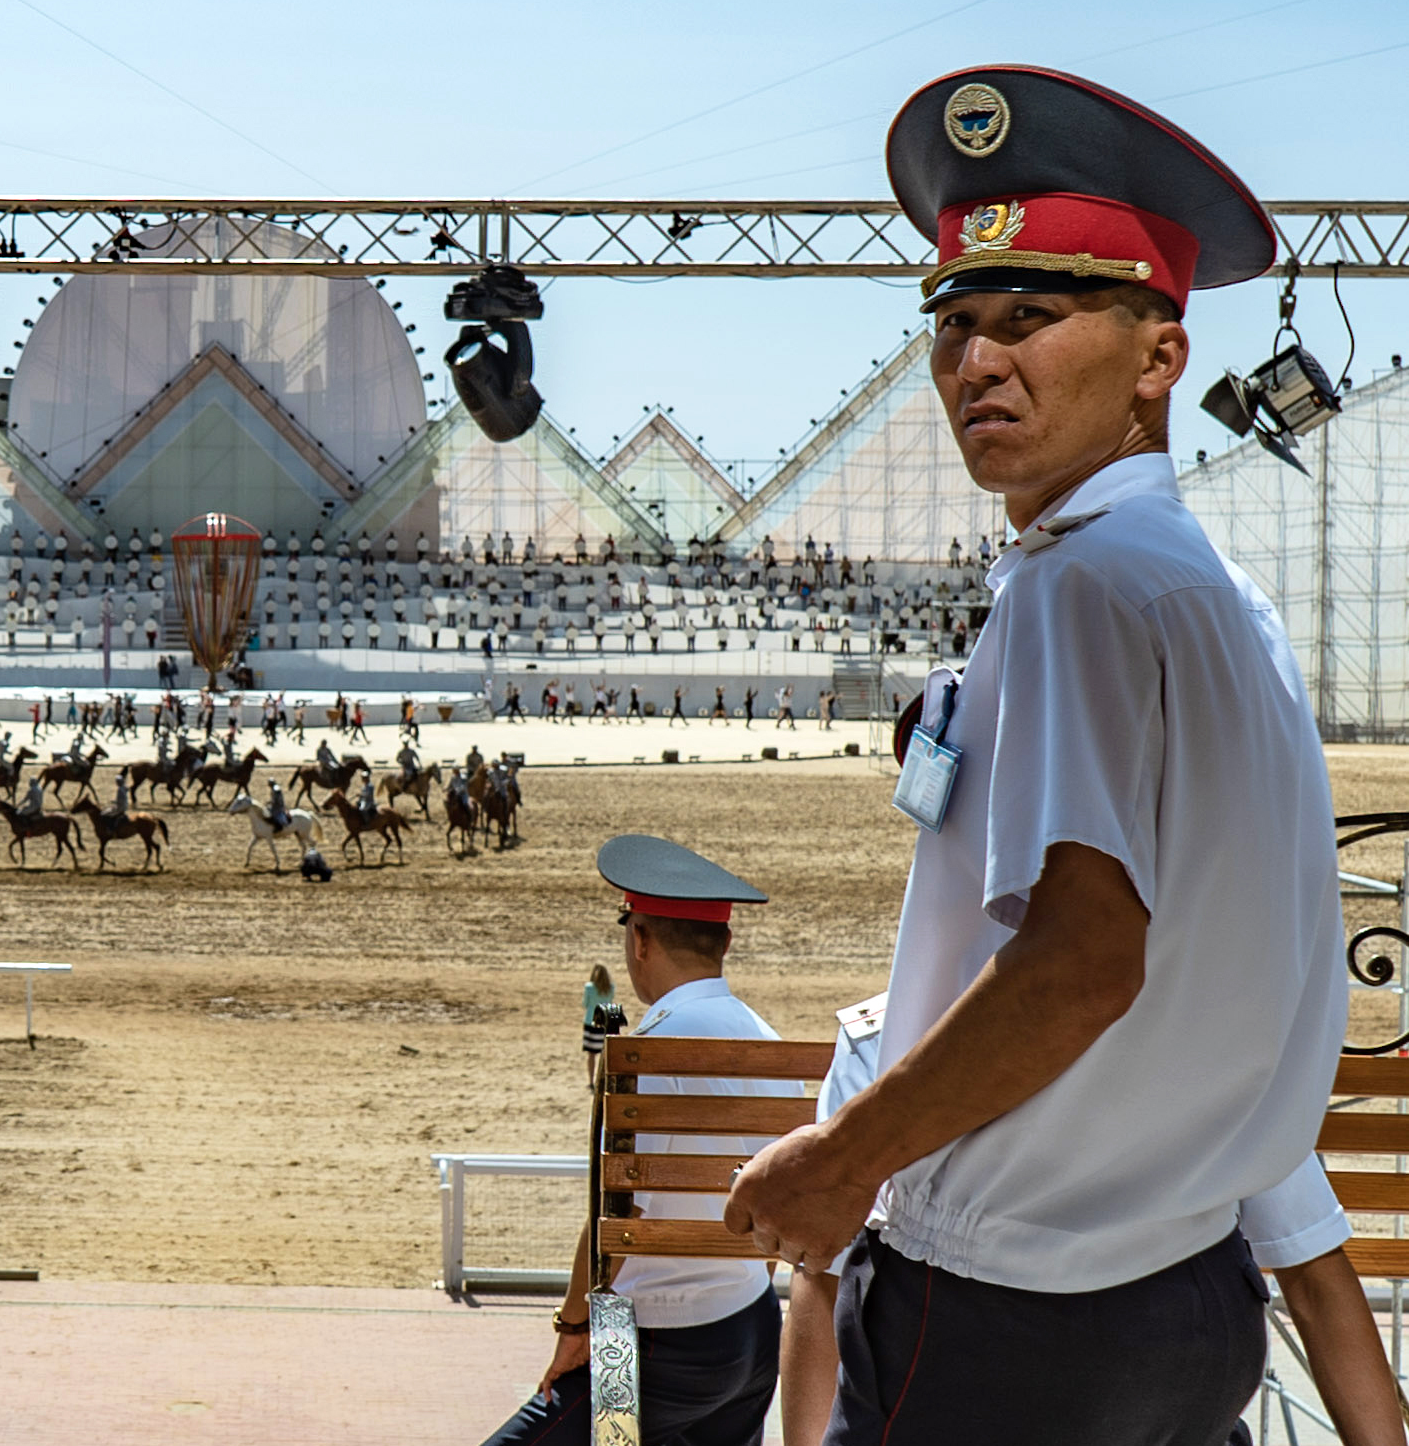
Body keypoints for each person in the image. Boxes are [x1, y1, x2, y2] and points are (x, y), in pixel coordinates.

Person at [725, 66, 1345, 1444]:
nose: (974, 363)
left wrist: (841, 1158)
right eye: (951, 324)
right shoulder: (1211, 593)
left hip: (1004, 1318)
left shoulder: (1077, 583)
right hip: (1185, 1290)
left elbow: (1079, 956)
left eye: (1029, 318)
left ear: (1155, 356)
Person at [779, 994, 1408, 1446]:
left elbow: (825, 1265)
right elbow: (1312, 1269)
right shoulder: (1210, 1044)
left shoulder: (889, 1039)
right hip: (1180, 1374)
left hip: (968, 1368)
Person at [484, 835, 789, 1446]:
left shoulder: (650, 1050)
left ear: (641, 939)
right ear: (724, 941)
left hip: (645, 1335)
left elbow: (616, 1217)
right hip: (752, 1328)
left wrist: (573, 1328)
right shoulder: (765, 1036)